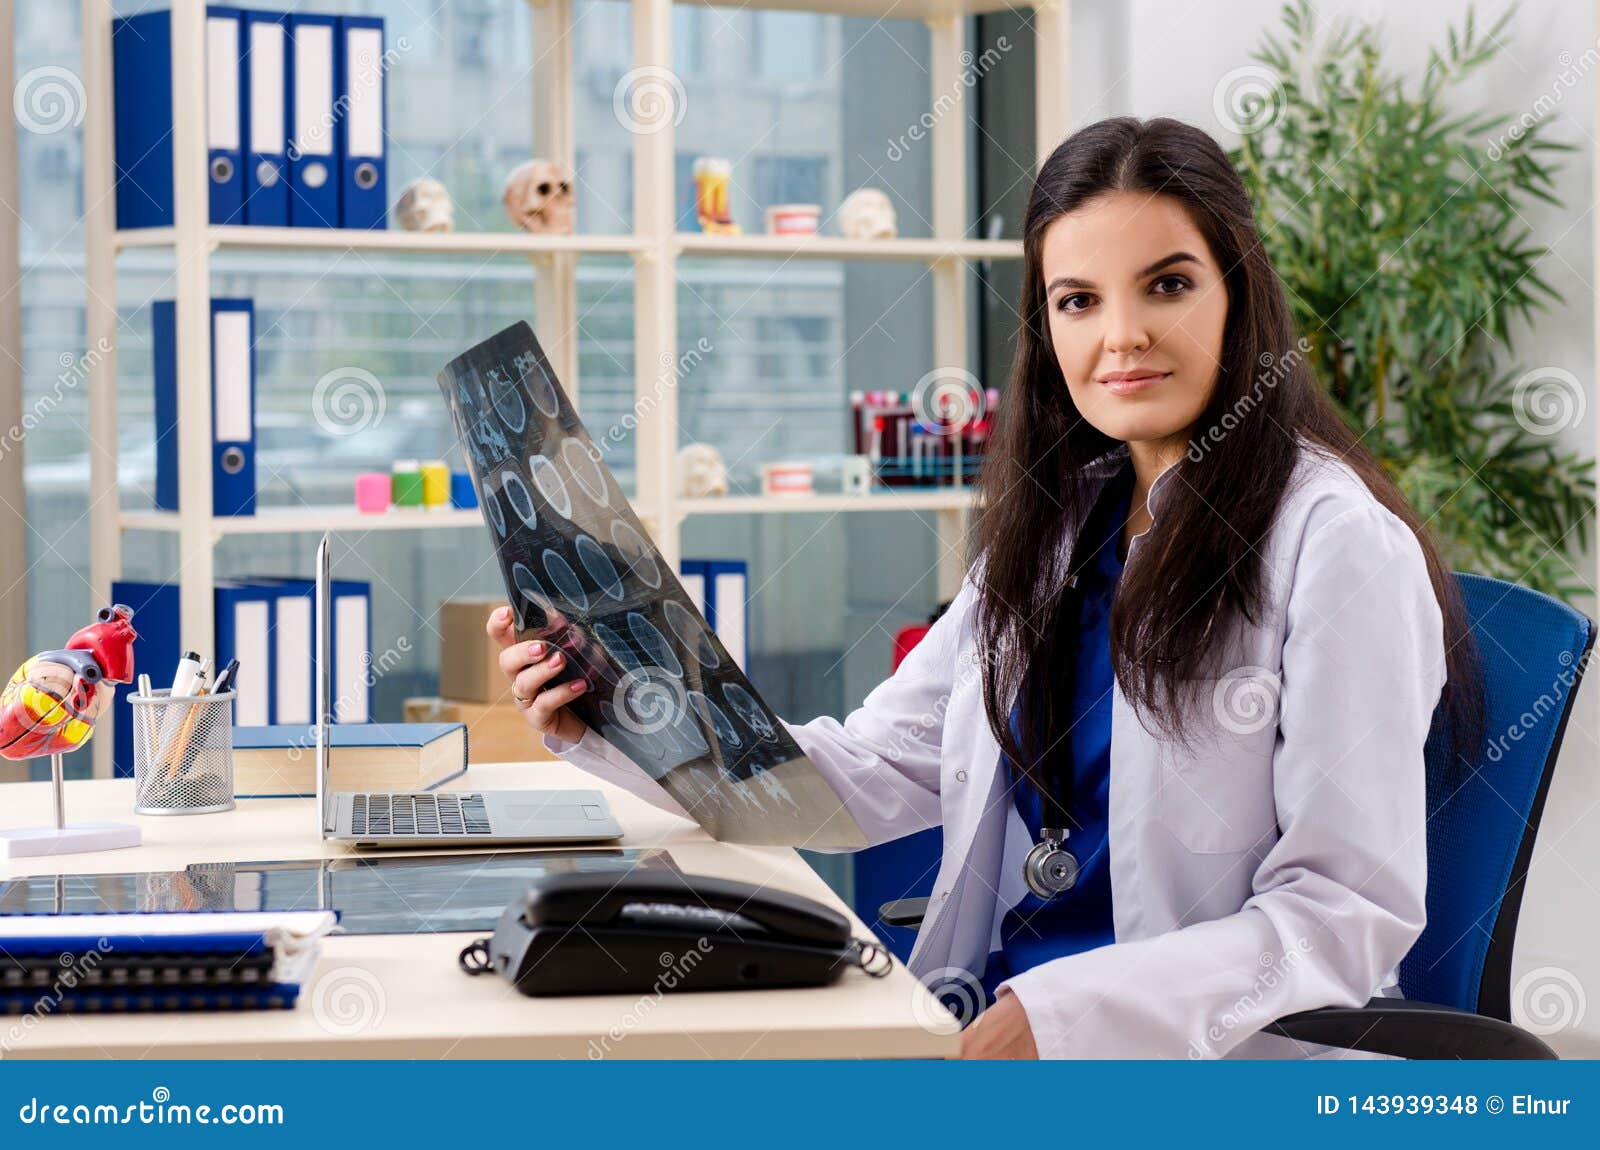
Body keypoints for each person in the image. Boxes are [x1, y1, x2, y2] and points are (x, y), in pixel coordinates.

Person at [485, 116, 1482, 1060]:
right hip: (998, 1030)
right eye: (1078, 300)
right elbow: (878, 767)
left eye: (1167, 285)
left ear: (1238, 294)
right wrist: (619, 715)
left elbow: (1340, 915)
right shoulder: (1057, 524)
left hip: (1185, 1058)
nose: (1120, 336)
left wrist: (1054, 1015)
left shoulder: (1335, 542)